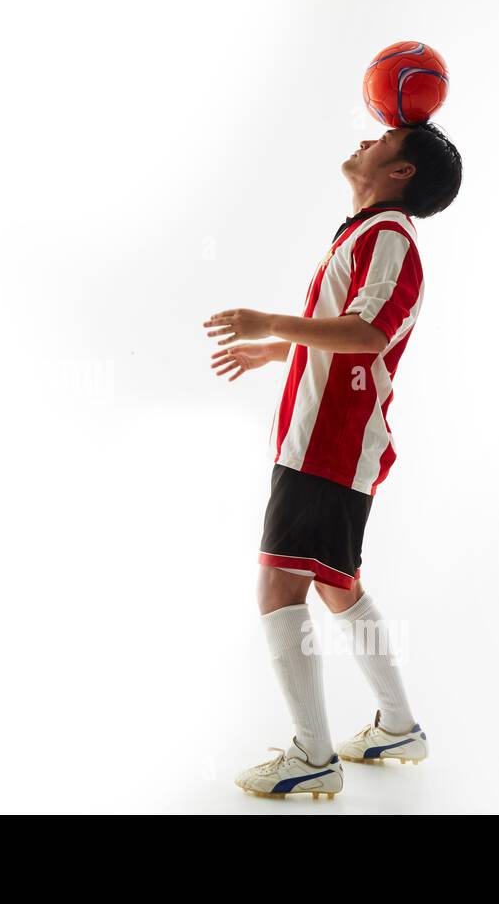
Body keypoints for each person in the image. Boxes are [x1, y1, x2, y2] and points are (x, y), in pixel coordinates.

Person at [202, 121, 462, 799]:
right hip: (327, 438)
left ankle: (313, 755)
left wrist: (271, 323)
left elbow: (370, 332)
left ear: (402, 172)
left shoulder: (390, 236)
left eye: (382, 139)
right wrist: (279, 350)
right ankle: (399, 726)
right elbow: (349, 327)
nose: (366, 139)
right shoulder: (365, 232)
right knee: (334, 583)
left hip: (330, 441)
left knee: (279, 584)